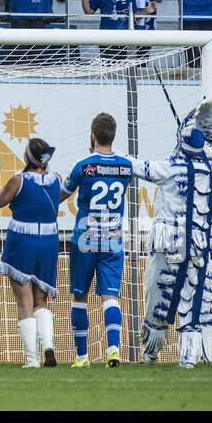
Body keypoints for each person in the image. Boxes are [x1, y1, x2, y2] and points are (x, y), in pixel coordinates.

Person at [61, 111, 155, 367]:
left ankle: (82, 358)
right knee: (110, 297)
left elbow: (60, 195)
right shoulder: (126, 165)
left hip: (85, 240)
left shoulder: (82, 166)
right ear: (113, 136)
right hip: (113, 240)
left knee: (80, 297)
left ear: (92, 135)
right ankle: (113, 349)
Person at [138, 101, 212, 367]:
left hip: (170, 244)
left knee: (157, 297)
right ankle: (188, 358)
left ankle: (150, 352)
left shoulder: (169, 168)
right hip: (199, 247)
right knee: (193, 302)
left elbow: (136, 166)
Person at [0, 137, 61, 368]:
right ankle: (48, 345)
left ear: (27, 157)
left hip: (22, 242)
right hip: (49, 242)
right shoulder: (56, 179)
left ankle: (31, 359)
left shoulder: (18, 181)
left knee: (24, 302)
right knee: (41, 300)